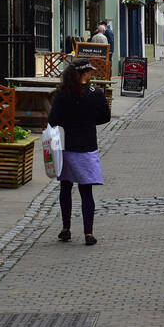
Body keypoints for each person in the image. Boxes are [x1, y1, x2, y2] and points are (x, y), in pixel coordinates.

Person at [48, 57, 111, 246]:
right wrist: (89, 122)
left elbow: (52, 120)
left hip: (66, 147)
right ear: (85, 73)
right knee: (86, 191)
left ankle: (66, 229)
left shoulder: (62, 94)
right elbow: (105, 117)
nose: (92, 74)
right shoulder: (96, 94)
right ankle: (88, 233)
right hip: (87, 147)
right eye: (90, 71)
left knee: (65, 188)